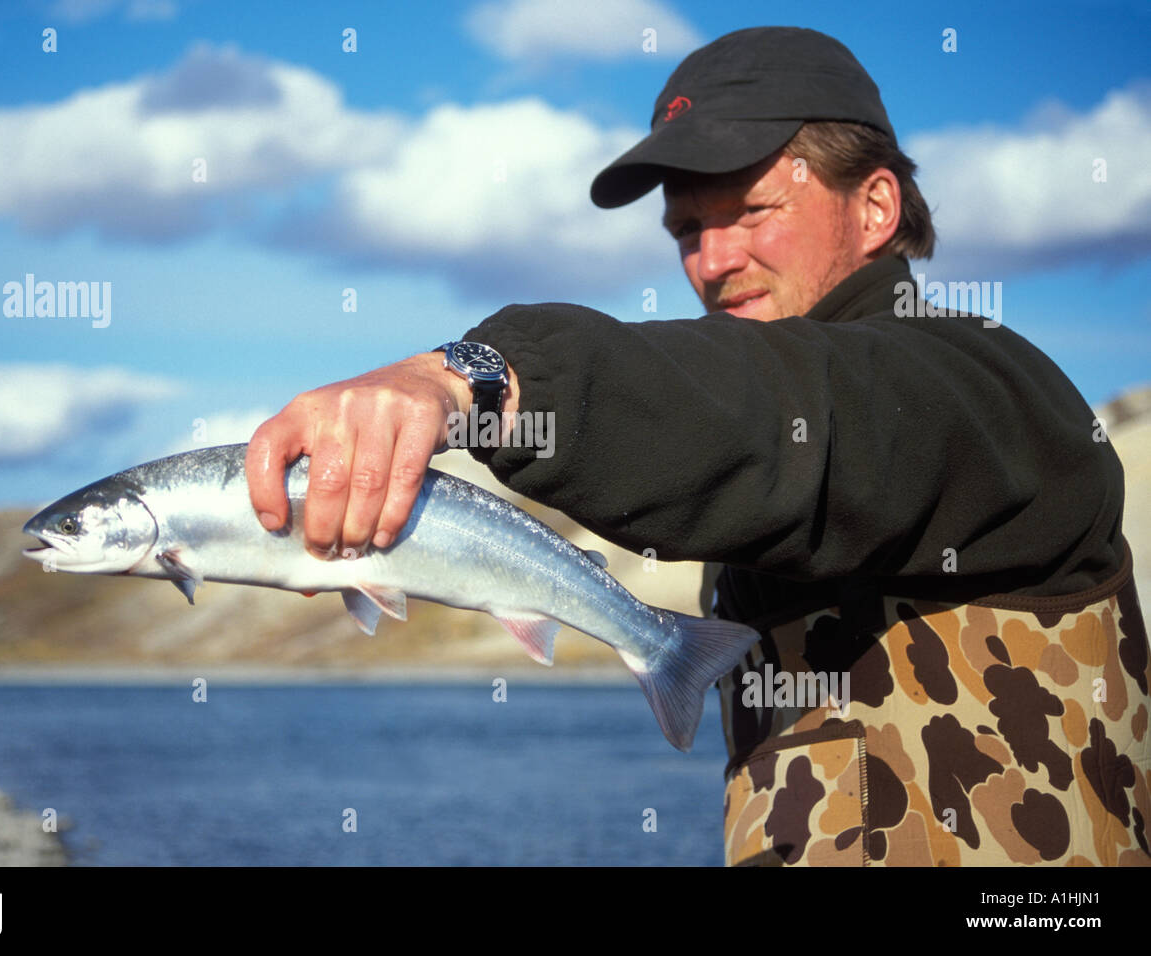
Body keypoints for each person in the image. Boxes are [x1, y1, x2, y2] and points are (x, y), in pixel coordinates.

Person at [246, 27, 1150, 866]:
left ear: (876, 206)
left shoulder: (988, 389)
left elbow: (780, 406)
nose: (711, 261)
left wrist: (478, 377)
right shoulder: (764, 446)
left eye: (752, 211)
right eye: (687, 231)